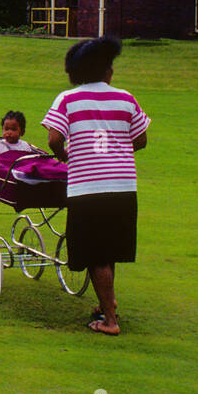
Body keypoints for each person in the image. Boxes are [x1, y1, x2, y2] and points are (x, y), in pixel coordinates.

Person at [41, 37, 149, 336]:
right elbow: (140, 139)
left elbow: (53, 138)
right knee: (109, 249)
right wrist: (117, 152)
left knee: (94, 253)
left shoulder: (67, 99)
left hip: (87, 187)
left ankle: (110, 321)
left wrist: (67, 157)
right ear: (106, 72)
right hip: (123, 186)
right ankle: (107, 306)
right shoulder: (126, 99)